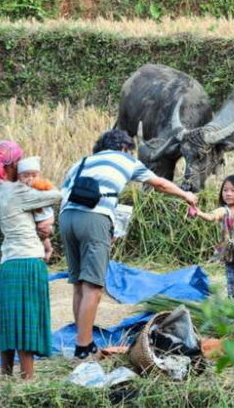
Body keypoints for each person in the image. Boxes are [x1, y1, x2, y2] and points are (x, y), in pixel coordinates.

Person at [59, 129, 198, 360]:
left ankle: (82, 340)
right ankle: (83, 349)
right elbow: (160, 184)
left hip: (67, 219)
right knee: (94, 286)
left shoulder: (81, 162)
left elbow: (63, 194)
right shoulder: (124, 158)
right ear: (124, 147)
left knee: (79, 285)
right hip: (94, 218)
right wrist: (186, 196)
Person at [0, 140, 62, 380]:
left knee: (8, 321)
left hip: (9, 263)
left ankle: (6, 376)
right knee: (28, 320)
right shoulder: (18, 190)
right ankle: (28, 380)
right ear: (13, 164)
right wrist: (38, 181)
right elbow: (56, 195)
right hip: (28, 262)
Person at [193, 174, 234, 312]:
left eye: (233, 190)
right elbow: (211, 216)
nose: (228, 193)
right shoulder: (224, 210)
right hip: (232, 257)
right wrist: (198, 212)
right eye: (225, 190)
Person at [17, 156, 56, 262]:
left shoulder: (41, 184)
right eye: (26, 176)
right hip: (36, 217)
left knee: (42, 231)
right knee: (40, 236)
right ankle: (44, 252)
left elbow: (52, 191)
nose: (30, 178)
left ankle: (48, 250)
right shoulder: (19, 189)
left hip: (45, 216)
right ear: (19, 177)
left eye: (34, 175)